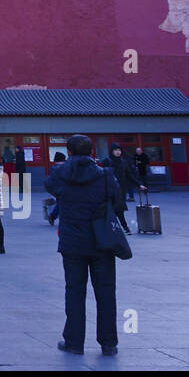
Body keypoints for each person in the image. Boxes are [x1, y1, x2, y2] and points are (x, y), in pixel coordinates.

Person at [46, 134, 124, 355]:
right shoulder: (106, 176)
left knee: (74, 291)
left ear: (68, 152)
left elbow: (50, 187)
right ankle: (108, 343)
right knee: (106, 292)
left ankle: (74, 341)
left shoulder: (60, 174)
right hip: (102, 241)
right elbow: (118, 203)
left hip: (72, 242)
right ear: (92, 152)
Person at [100, 144, 145, 232]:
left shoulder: (123, 162)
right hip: (110, 189)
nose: (118, 152)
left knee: (118, 209)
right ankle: (124, 227)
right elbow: (103, 175)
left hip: (121, 190)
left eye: (119, 150)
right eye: (116, 150)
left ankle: (116, 228)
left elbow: (129, 175)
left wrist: (139, 184)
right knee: (116, 209)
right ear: (111, 151)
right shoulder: (107, 161)